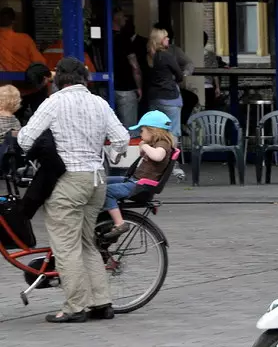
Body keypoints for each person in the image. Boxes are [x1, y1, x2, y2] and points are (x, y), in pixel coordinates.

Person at [17, 57, 130, 323]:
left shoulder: (54, 102)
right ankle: (102, 303)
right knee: (87, 243)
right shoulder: (99, 103)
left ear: (58, 80)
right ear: (84, 78)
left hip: (69, 180)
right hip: (96, 180)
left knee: (66, 246)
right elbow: (122, 139)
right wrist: (111, 155)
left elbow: (25, 139)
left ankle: (74, 307)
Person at [103, 111, 174, 239]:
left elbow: (158, 156)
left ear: (153, 131)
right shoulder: (156, 143)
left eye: (142, 130)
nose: (140, 134)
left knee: (107, 191)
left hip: (139, 185)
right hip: (134, 180)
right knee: (102, 181)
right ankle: (105, 218)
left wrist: (145, 146)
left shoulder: (163, 144)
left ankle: (119, 223)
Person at [146, 28, 185, 180]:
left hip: (154, 97)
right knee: (173, 132)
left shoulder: (150, 57)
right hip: (169, 97)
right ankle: (173, 166)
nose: (169, 40)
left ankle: (155, 163)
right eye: (166, 37)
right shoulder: (166, 56)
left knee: (155, 132)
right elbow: (179, 75)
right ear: (161, 40)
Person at [0, 7, 48, 123]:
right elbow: (40, 64)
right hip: (32, 86)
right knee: (40, 118)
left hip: (10, 89)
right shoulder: (24, 39)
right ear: (13, 22)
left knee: (13, 119)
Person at [112, 8, 143, 130]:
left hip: (104, 88)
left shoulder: (100, 38)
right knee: (129, 130)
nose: (125, 18)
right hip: (126, 88)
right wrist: (139, 86)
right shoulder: (124, 39)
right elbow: (134, 66)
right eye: (123, 15)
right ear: (115, 17)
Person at [203, 32, 221, 109]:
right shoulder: (210, 54)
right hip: (208, 86)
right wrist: (217, 87)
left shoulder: (189, 53)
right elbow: (215, 71)